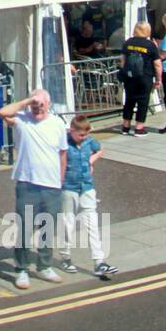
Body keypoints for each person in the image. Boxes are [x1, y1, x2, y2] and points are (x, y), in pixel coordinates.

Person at [0, 89, 68, 290]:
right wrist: (28, 99)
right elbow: (3, 112)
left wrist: (61, 179)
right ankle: (21, 269)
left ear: (49, 103)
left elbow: (62, 154)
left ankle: (44, 266)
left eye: (41, 104)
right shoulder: (21, 119)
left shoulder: (57, 124)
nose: (37, 108)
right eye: (34, 105)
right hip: (27, 184)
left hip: (52, 185)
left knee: (47, 228)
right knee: (25, 228)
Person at [57, 115, 120, 278]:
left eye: (85, 135)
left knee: (92, 223)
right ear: (72, 131)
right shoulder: (63, 142)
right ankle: (65, 257)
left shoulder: (90, 142)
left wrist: (91, 160)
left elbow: (99, 149)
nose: (83, 138)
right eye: (80, 135)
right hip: (68, 187)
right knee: (67, 222)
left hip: (87, 186)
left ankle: (99, 261)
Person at [119, 21, 162, 137]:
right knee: (143, 102)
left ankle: (125, 126)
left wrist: (124, 74)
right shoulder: (150, 45)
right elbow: (157, 64)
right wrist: (159, 80)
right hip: (145, 77)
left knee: (129, 101)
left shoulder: (127, 43)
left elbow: (122, 61)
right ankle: (139, 128)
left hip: (129, 77)